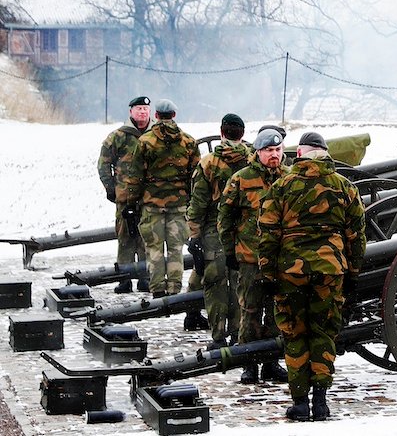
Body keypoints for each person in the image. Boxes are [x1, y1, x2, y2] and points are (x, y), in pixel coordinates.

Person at [258, 131, 365, 421]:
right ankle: (321, 402)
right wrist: (352, 272)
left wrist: (267, 274)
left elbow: (268, 235)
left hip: (290, 271)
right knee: (323, 333)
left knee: (294, 334)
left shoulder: (281, 186)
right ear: (326, 153)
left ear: (300, 154)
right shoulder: (344, 186)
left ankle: (300, 403)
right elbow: (356, 235)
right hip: (330, 271)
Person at [217, 127, 290, 384]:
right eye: (269, 151)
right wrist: (229, 251)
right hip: (250, 258)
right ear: (258, 152)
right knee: (249, 312)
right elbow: (225, 218)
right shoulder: (241, 179)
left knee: (275, 314)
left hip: (280, 259)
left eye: (278, 150)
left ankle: (271, 363)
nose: (274, 155)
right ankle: (248, 364)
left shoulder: (289, 178)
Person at [117, 99, 200, 298]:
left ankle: (157, 290)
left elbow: (135, 176)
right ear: (174, 115)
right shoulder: (188, 142)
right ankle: (173, 289)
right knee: (175, 249)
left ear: (156, 116)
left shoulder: (145, 142)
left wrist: (130, 202)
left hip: (151, 206)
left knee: (153, 249)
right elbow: (195, 176)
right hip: (179, 206)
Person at [186, 113, 251, 349]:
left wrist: (194, 235)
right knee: (239, 284)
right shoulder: (253, 160)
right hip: (244, 230)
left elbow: (198, 204)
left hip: (214, 231)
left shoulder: (209, 163)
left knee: (214, 285)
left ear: (222, 133)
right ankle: (237, 333)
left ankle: (218, 336)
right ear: (242, 134)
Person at [97, 96, 152, 293]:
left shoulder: (156, 136)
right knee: (125, 239)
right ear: (131, 112)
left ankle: (145, 278)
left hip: (149, 197)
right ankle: (125, 279)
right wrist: (111, 189)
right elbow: (103, 163)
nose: (142, 112)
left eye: (145, 109)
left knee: (147, 237)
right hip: (125, 197)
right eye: (138, 109)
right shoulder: (118, 137)